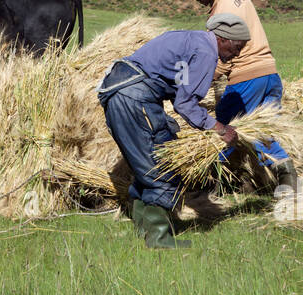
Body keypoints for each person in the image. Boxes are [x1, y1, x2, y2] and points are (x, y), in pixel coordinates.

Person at [97, 14, 249, 248]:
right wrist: (219, 128)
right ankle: (159, 240)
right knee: (163, 168)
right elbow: (185, 104)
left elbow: (175, 88)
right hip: (134, 99)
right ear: (223, 39)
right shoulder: (207, 53)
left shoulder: (188, 39)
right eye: (237, 46)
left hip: (117, 92)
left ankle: (145, 229)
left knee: (146, 165)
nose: (237, 53)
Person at [177, 0, 298, 194]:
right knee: (261, 133)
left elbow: (222, 55)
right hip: (269, 75)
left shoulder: (222, 13)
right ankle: (287, 185)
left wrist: (197, 84)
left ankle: (205, 187)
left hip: (246, 77)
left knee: (220, 131)